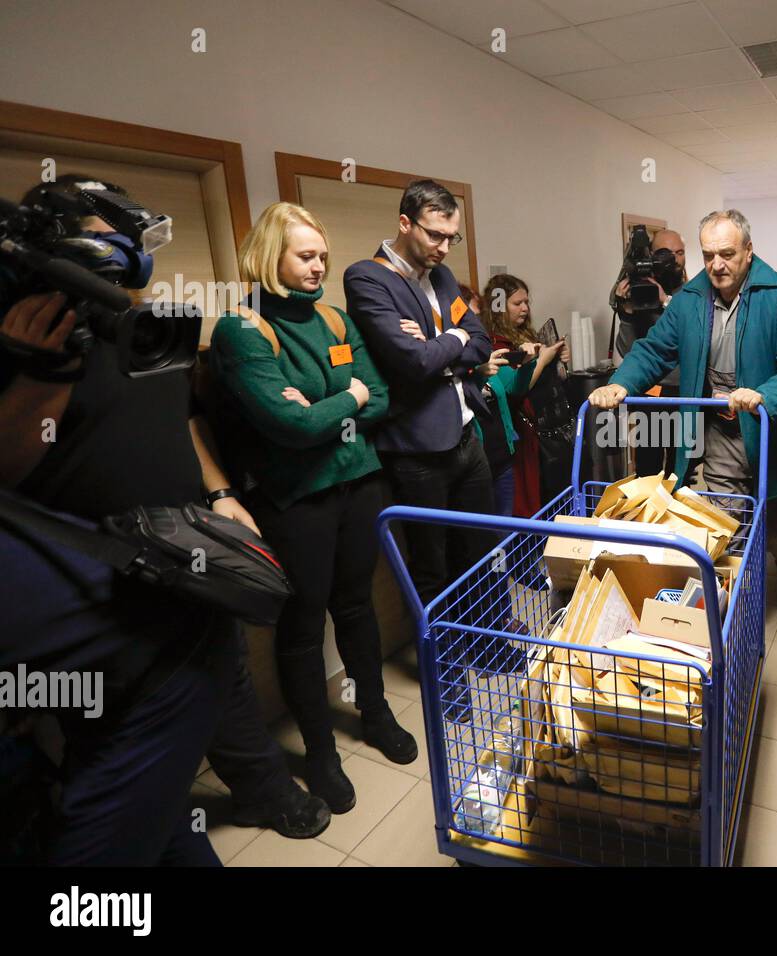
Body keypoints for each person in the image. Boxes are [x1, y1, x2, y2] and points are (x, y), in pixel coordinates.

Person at [0, 178, 323, 862]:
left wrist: (219, 494)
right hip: (107, 590)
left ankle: (258, 789)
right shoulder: (23, 339)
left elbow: (181, 420)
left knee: (219, 677)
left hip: (188, 551)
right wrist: (39, 369)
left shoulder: (143, 326)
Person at [210, 202, 414, 814]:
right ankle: (320, 753)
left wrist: (332, 403)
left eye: (322, 255)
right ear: (270, 257)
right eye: (306, 255)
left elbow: (379, 398)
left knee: (356, 606)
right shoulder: (241, 330)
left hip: (359, 486)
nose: (319, 265)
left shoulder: (333, 319)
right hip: (296, 501)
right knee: (303, 628)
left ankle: (374, 715)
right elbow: (287, 425)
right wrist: (341, 399)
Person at [588, 209, 777, 607]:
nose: (717, 265)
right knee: (722, 520)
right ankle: (731, 600)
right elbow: (654, 350)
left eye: (728, 254)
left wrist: (764, 394)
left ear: (749, 250)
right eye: (708, 254)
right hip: (721, 429)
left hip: (772, 428)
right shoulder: (690, 299)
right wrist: (620, 383)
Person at [342, 179, 496, 609]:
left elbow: (481, 343)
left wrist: (438, 341)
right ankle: (445, 667)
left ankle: (492, 647)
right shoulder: (366, 277)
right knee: (432, 565)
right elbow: (413, 362)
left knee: (484, 551)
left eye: (452, 237)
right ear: (405, 223)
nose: (445, 247)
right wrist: (454, 338)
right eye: (435, 234)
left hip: (467, 437)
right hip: (417, 450)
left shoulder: (442, 276)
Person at [479, 273, 569, 517]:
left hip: (542, 428)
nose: (525, 309)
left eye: (526, 302)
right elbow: (515, 389)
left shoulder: (525, 336)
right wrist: (543, 359)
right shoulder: (494, 343)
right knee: (524, 502)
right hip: (517, 430)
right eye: (517, 303)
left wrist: (558, 363)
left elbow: (550, 382)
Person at [610, 228, 688, 477]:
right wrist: (627, 314)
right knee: (648, 468)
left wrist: (666, 301)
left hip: (685, 392)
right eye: (666, 253)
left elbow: (693, 333)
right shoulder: (641, 289)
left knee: (681, 470)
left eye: (680, 252)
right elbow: (628, 350)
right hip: (651, 393)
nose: (674, 259)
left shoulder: (695, 291)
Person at [456, 284, 516, 517]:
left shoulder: (483, 350)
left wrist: (530, 361)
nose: (475, 324)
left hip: (504, 458)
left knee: (507, 531)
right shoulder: (450, 361)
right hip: (477, 461)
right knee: (484, 534)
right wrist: (480, 372)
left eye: (477, 317)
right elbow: (466, 395)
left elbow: (512, 389)